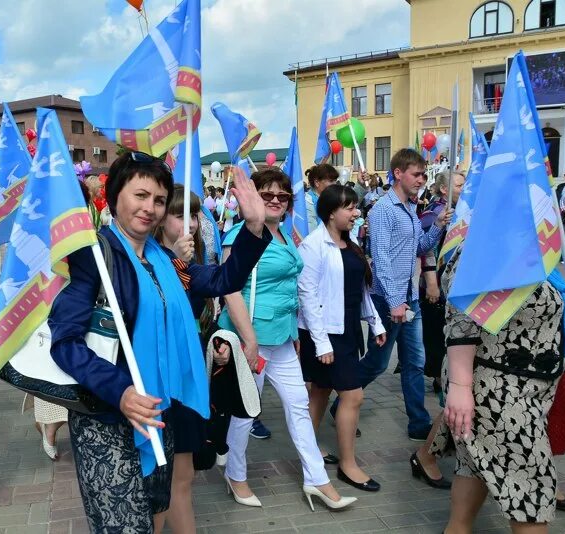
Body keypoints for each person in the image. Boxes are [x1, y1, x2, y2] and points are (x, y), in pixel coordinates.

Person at [49, 152, 271, 533]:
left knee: (154, 513)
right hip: (107, 419)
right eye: (140, 195)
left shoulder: (166, 261)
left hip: (159, 412)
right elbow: (65, 343)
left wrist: (252, 229)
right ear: (116, 195)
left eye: (158, 200)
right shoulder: (94, 257)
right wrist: (120, 391)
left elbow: (221, 281)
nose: (149, 208)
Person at [219, 168, 356, 511]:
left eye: (283, 196)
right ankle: (235, 475)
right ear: (254, 199)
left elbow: (290, 288)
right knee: (245, 413)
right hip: (250, 338)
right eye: (267, 195)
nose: (276, 201)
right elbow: (229, 290)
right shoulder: (238, 234)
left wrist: (294, 333)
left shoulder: (285, 236)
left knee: (298, 406)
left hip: (281, 338)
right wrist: (247, 341)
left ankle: (317, 479)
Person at [431, 248, 564, 532]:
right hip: (497, 389)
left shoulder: (531, 240)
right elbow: (461, 319)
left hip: (525, 384)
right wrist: (460, 387)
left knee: (473, 468)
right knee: (531, 489)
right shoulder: (485, 243)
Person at [333, 149, 452, 442]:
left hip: (410, 298)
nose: (422, 180)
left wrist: (437, 227)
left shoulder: (411, 208)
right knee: (377, 363)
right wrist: (395, 300)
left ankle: (418, 423)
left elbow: (419, 247)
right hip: (388, 299)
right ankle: (341, 404)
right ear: (398, 173)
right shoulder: (383, 209)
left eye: (424, 175)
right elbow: (381, 259)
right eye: (417, 174)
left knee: (415, 362)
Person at [298, 184, 387, 492]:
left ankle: (308, 453)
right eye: (348, 207)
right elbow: (307, 296)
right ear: (330, 212)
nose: (355, 212)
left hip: (347, 329)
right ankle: (348, 465)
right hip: (323, 334)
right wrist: (322, 344)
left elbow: (360, 290)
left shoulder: (350, 244)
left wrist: (375, 324)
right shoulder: (313, 245)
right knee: (353, 396)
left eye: (355, 207)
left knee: (320, 392)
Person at [153, 185, 227, 534]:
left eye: (194, 214)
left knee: (182, 475)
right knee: (161, 478)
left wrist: (216, 338)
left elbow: (218, 286)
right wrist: (178, 263)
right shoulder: (150, 260)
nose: (190, 223)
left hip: (189, 375)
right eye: (179, 214)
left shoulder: (191, 260)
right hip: (161, 379)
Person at [419, 171, 465, 393]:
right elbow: (426, 250)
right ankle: (439, 377)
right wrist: (432, 283)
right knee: (437, 332)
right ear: (444, 190)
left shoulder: (462, 211)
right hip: (436, 283)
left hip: (456, 282)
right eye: (458, 185)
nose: (463, 189)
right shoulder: (433, 213)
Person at [304, 164, 339, 233]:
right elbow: (312, 234)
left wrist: (361, 184)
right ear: (317, 182)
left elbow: (348, 204)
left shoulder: (331, 198)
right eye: (331, 181)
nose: (335, 184)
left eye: (335, 180)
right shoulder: (308, 202)